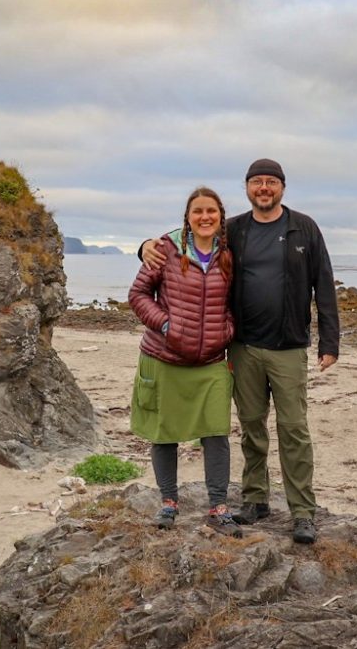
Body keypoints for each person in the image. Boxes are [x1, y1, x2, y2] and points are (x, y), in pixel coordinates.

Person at [141, 159, 339, 544]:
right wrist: (144, 246)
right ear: (247, 189)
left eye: (271, 182)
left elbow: (324, 284)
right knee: (251, 427)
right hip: (243, 347)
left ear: (282, 187)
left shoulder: (305, 228)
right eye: (256, 182)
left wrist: (330, 342)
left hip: (289, 347)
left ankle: (302, 513)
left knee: (294, 430)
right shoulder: (235, 231)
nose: (264, 188)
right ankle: (255, 500)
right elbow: (185, 238)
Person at [129, 186, 242, 538]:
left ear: (220, 216)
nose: (205, 217)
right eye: (198, 212)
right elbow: (138, 294)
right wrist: (166, 324)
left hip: (211, 361)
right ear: (188, 217)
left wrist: (227, 330)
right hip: (165, 356)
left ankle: (218, 507)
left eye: (211, 211)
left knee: (216, 433)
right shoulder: (165, 249)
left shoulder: (230, 254)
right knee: (164, 433)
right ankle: (168, 502)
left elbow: (240, 301)